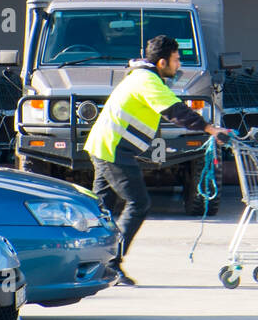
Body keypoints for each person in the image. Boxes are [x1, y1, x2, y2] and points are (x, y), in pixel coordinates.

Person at [83, 34, 232, 286]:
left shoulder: (144, 77)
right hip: (113, 150)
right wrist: (211, 129)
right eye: (176, 60)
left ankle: (93, 263)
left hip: (105, 147)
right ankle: (110, 266)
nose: (179, 66)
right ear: (162, 62)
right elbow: (175, 111)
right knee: (138, 204)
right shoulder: (147, 80)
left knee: (103, 210)